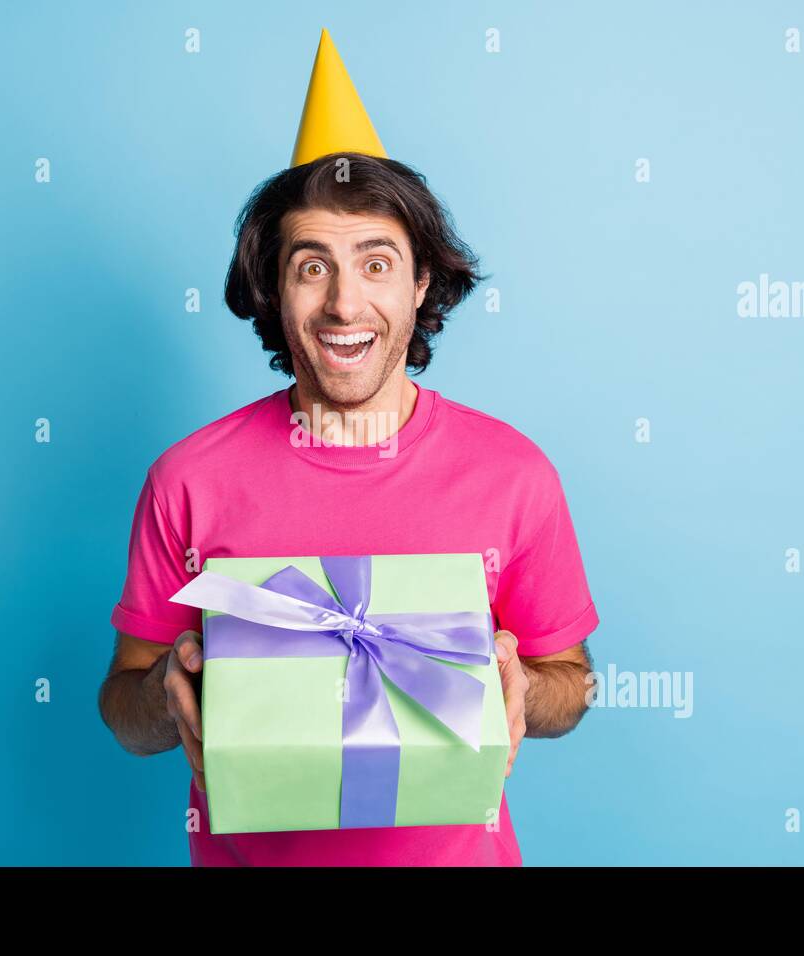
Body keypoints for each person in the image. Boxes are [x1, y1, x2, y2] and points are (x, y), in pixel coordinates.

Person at [98, 28, 600, 866]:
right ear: (275, 288)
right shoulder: (190, 481)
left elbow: (573, 682)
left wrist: (527, 690)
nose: (344, 305)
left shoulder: (513, 475)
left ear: (421, 282)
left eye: (376, 263)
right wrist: (164, 694)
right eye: (311, 267)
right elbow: (123, 708)